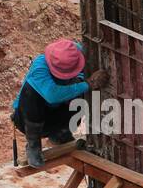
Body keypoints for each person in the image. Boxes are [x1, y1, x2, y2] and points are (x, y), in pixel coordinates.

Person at [11, 40, 107, 169]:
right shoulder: (40, 66)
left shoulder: (74, 52)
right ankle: (33, 145)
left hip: (58, 115)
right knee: (31, 93)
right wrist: (88, 84)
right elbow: (52, 95)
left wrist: (82, 82)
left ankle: (60, 134)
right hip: (29, 121)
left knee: (81, 92)